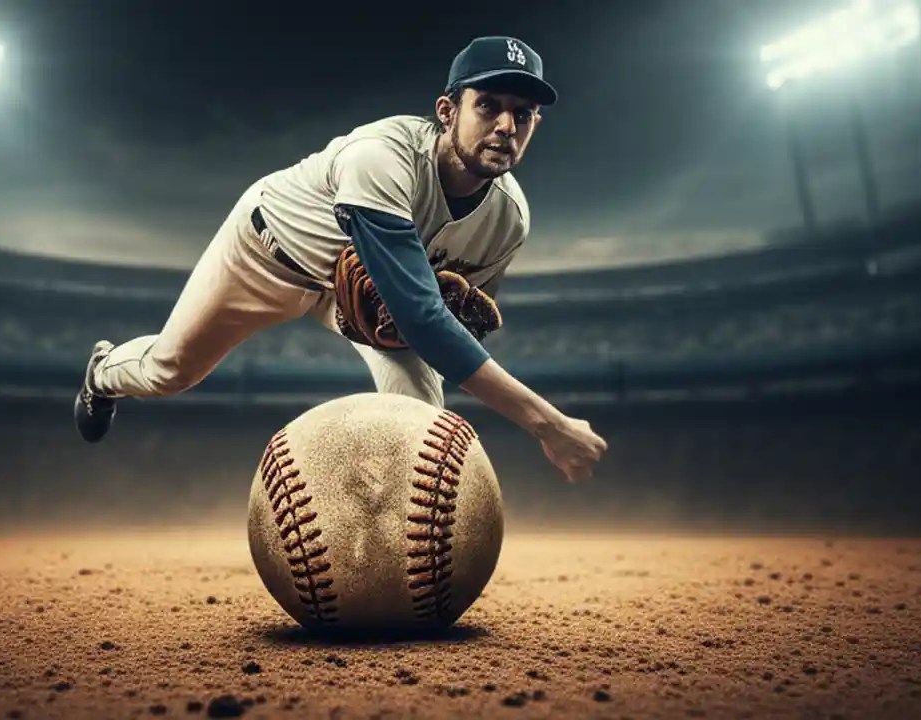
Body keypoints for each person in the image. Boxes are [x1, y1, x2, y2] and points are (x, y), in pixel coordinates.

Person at [74, 36, 607, 483]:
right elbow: (426, 319)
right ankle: (103, 374)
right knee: (171, 371)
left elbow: (460, 320)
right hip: (264, 253)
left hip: (356, 297)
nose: (506, 126)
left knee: (422, 408)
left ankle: (389, 549)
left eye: (523, 113)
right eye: (488, 104)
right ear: (448, 111)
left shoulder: (508, 219)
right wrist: (547, 423)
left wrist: (432, 323)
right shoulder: (383, 157)